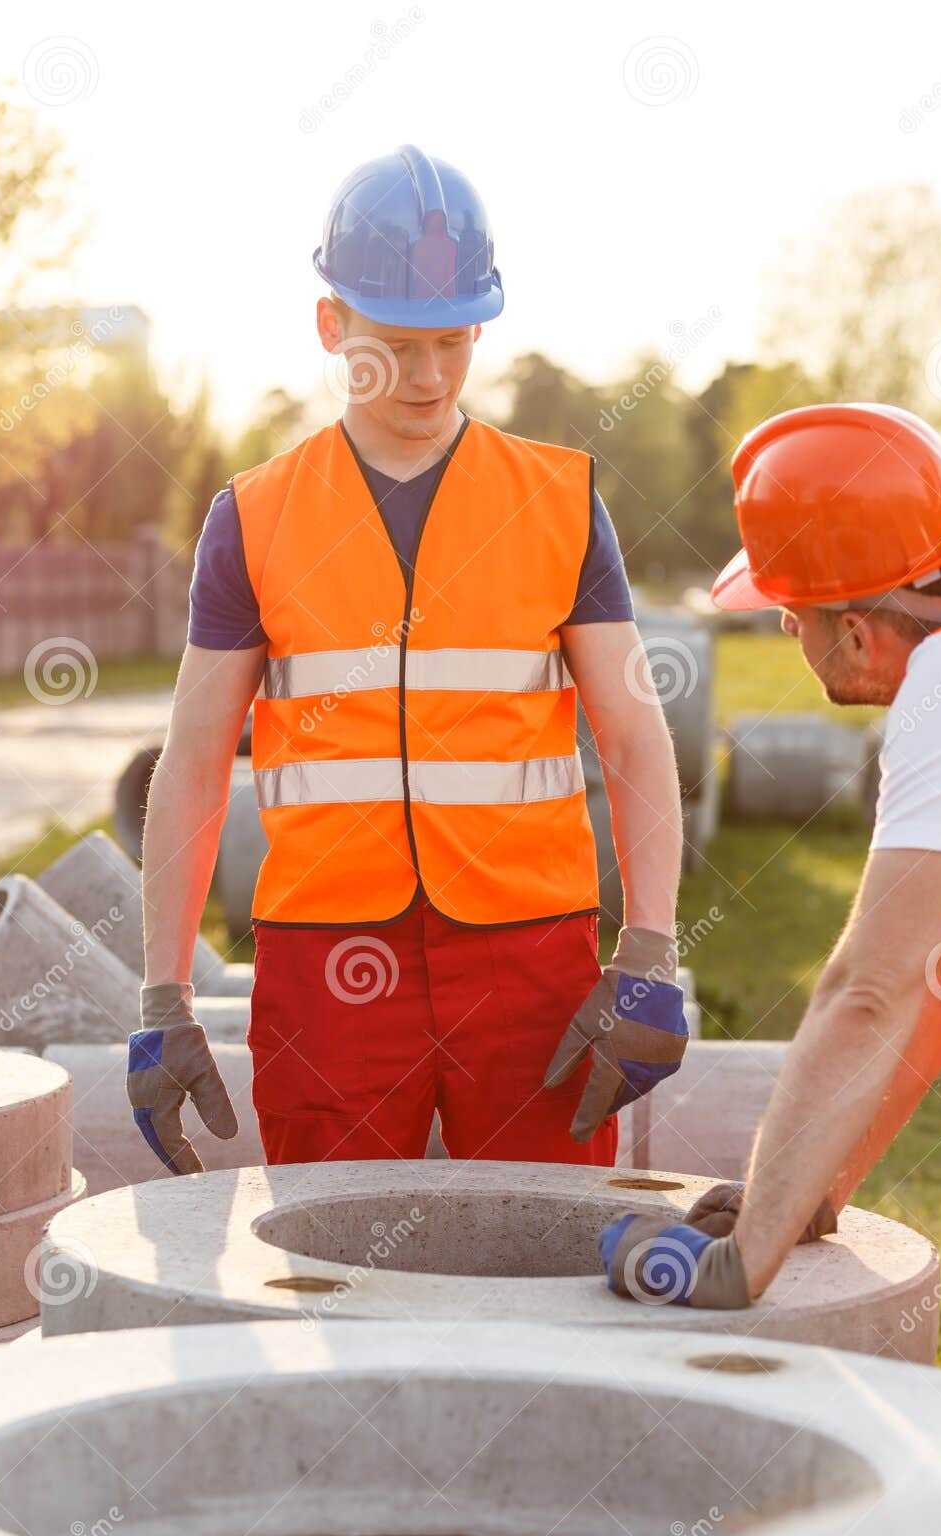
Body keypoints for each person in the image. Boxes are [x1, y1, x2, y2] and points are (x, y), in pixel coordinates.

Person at [126, 144, 689, 1176]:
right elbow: (195, 761)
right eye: (395, 345)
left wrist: (649, 952)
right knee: (324, 1252)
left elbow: (634, 737)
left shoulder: (560, 501)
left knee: (542, 1244)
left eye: (453, 341)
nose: (429, 376)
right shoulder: (252, 517)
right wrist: (164, 996)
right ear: (329, 324)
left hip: (528, 958)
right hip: (325, 963)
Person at [602, 402, 941, 1309]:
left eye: (789, 612)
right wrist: (805, 1197)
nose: (781, 631)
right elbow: (929, 982)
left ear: (854, 631)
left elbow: (867, 990)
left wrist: (741, 1263)